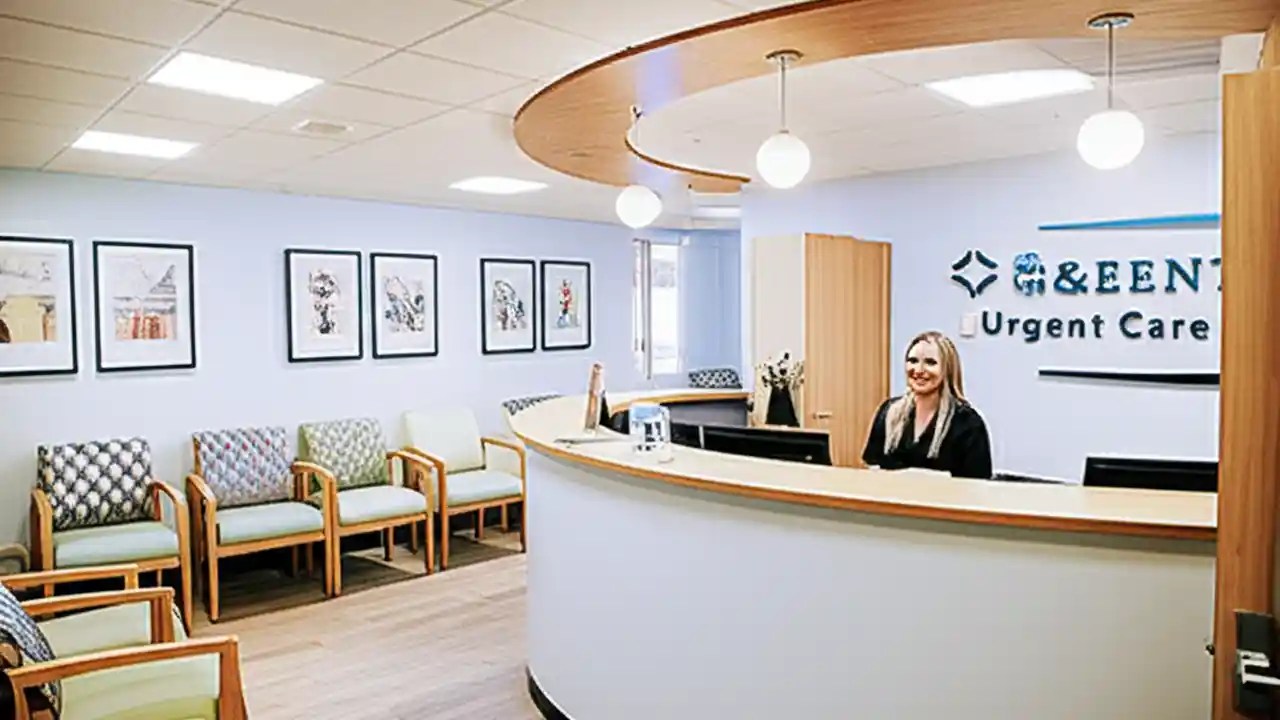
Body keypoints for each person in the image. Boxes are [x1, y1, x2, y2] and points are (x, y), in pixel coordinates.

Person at [862, 330, 992, 479]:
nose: (918, 370)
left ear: (947, 369)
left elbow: (977, 485)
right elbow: (873, 466)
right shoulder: (889, 411)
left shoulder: (968, 423)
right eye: (912, 361)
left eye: (930, 362)